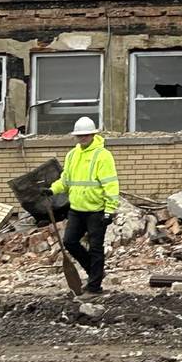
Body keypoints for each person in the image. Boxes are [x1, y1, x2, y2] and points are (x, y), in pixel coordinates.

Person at [50, 116, 119, 295]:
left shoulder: (102, 155)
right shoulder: (72, 155)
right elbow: (65, 180)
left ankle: (95, 286)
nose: (83, 138)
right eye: (80, 135)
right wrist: (52, 190)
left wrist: (110, 210)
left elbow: (111, 184)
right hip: (76, 210)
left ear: (93, 134)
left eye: (86, 135)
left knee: (96, 248)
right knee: (70, 242)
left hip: (96, 211)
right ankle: (94, 272)